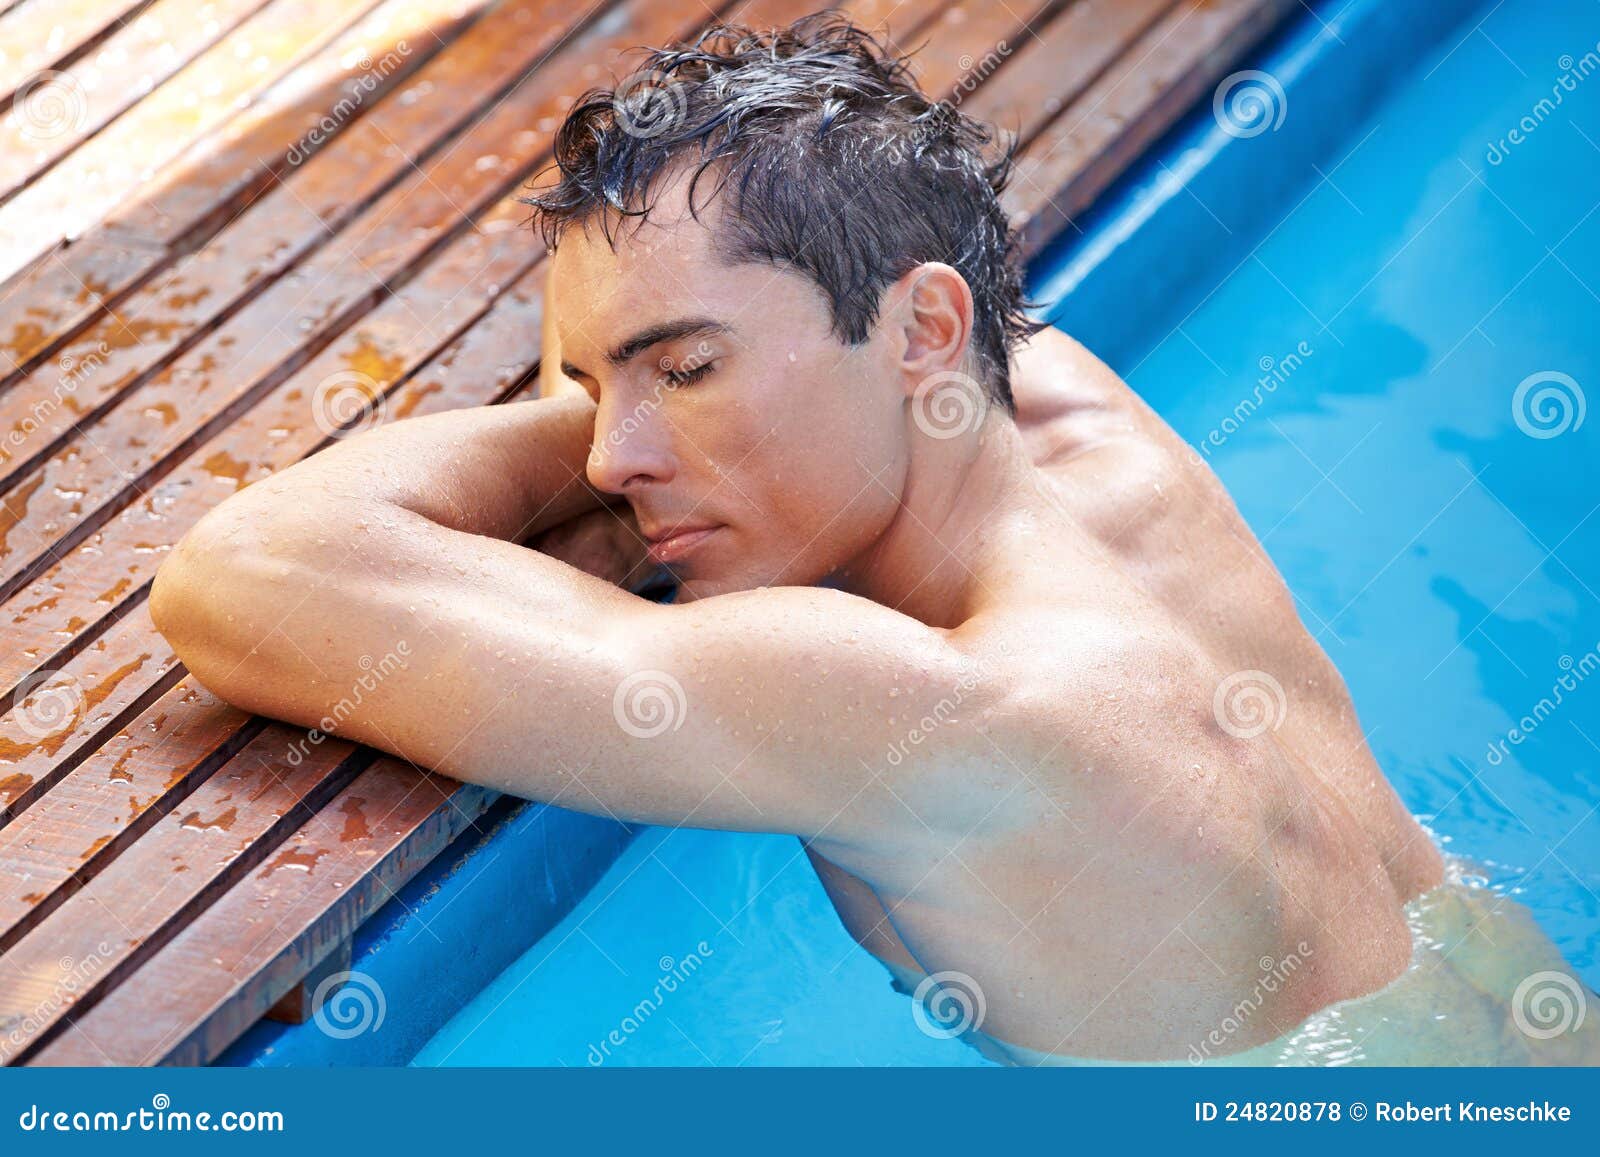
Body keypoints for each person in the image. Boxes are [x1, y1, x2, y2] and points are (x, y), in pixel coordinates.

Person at [151, 15, 1596, 1064]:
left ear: (919, 328)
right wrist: (664, 381)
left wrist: (566, 446)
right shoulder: (1084, 430)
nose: (606, 454)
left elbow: (243, 575)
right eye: (596, 387)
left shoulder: (922, 707)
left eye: (687, 367)